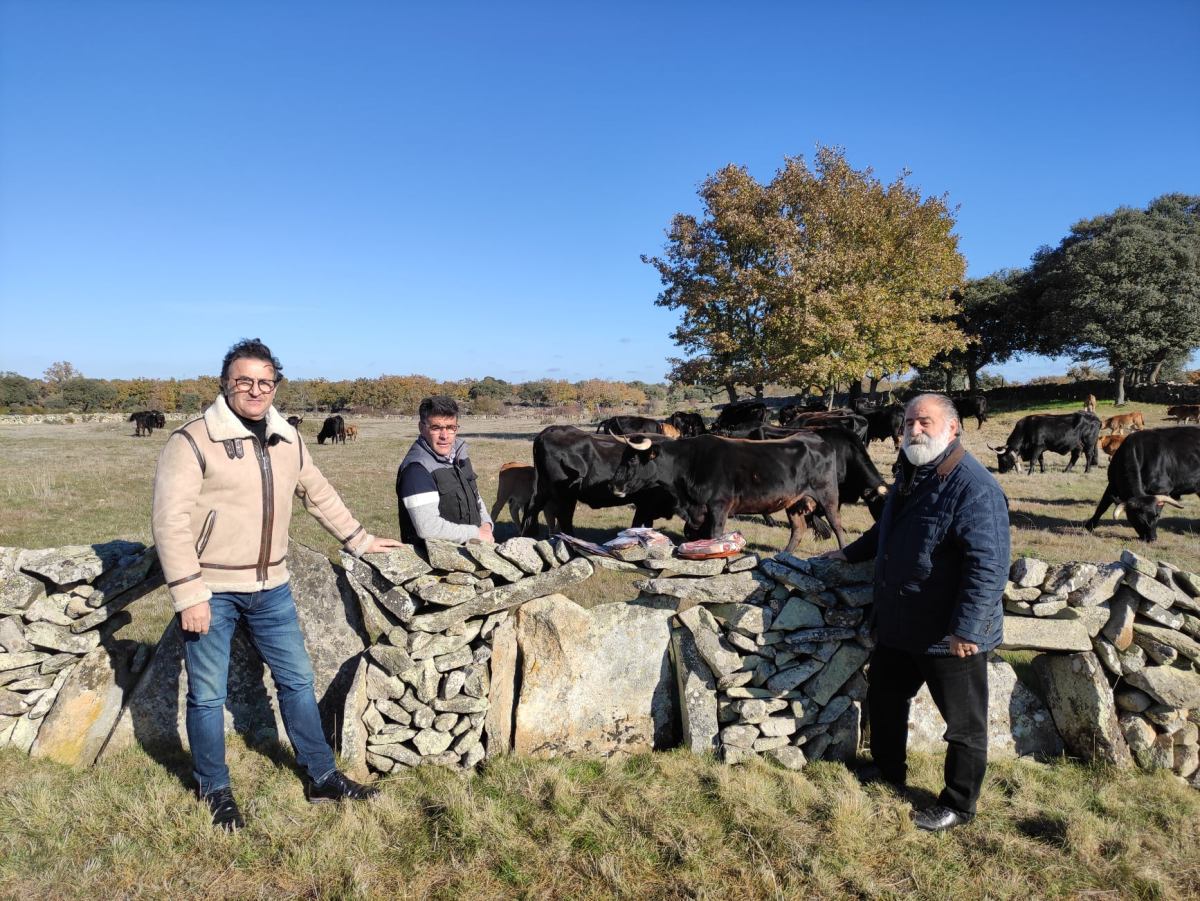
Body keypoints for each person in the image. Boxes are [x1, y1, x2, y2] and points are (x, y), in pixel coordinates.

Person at [152, 338, 402, 831]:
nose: (255, 390)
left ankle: (321, 776)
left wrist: (359, 538)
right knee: (205, 694)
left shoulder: (287, 436)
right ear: (226, 383)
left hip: (272, 588)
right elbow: (170, 522)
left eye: (265, 382)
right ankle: (214, 789)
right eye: (244, 380)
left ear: (275, 386)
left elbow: (318, 493)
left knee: (296, 681)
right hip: (212, 590)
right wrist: (188, 593)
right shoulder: (192, 439)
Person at [822, 393, 1009, 832]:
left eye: (924, 422)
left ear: (953, 428)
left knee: (963, 726)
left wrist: (967, 629)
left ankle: (960, 805)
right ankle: (888, 771)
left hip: (948, 632)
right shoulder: (914, 473)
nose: (914, 430)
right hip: (901, 622)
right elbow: (886, 527)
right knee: (886, 699)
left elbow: (989, 564)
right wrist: (849, 555)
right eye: (908, 423)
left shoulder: (974, 487)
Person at [395, 395, 493, 550]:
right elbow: (428, 528)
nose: (444, 436)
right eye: (436, 428)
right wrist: (476, 533)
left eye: (450, 427)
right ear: (421, 428)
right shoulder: (416, 470)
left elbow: (476, 497)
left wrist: (487, 525)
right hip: (436, 565)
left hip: (471, 554)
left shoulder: (460, 456)